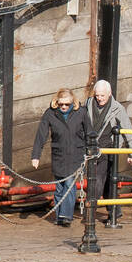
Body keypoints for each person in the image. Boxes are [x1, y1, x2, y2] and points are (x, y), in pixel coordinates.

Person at [81, 79, 132, 227]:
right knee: (106, 182)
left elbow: (128, 130)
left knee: (98, 179)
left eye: (102, 96)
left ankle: (90, 212)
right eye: (97, 95)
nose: (99, 99)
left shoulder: (117, 108)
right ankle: (115, 211)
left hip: (108, 149)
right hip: (92, 148)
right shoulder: (88, 104)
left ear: (110, 94)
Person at [30, 88, 87, 227]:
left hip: (76, 155)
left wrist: (92, 151)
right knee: (60, 187)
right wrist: (36, 156)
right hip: (59, 154)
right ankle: (59, 214)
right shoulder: (50, 113)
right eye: (61, 104)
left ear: (72, 102)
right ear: (57, 102)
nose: (64, 107)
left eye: (67, 104)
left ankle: (65, 216)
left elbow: (89, 132)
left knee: (69, 185)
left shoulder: (81, 112)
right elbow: (41, 135)